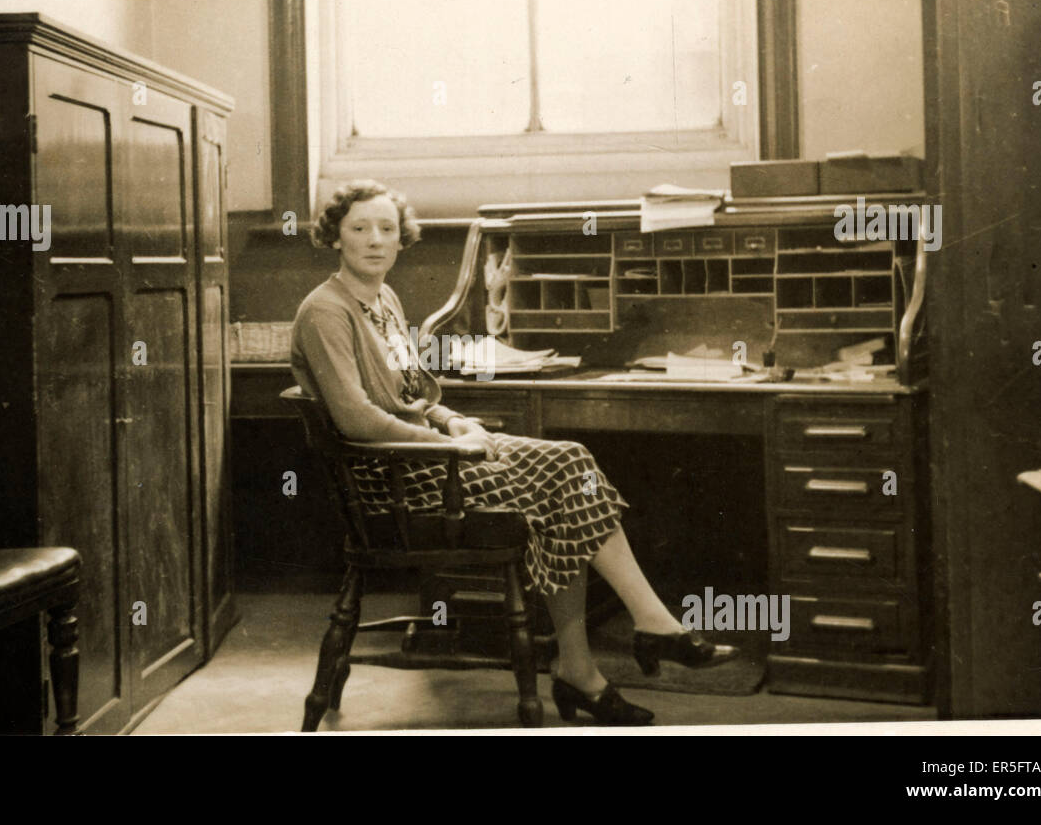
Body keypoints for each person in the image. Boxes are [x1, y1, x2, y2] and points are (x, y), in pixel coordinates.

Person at [290, 180, 738, 726]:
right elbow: (357, 419)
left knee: (571, 461)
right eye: (359, 228)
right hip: (394, 481)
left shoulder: (382, 300)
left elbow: (411, 395)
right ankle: (617, 649)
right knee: (565, 482)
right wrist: (448, 444)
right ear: (335, 237)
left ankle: (601, 657)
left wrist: (454, 420)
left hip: (424, 457)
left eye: (387, 228)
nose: (375, 240)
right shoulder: (325, 311)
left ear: (402, 238)